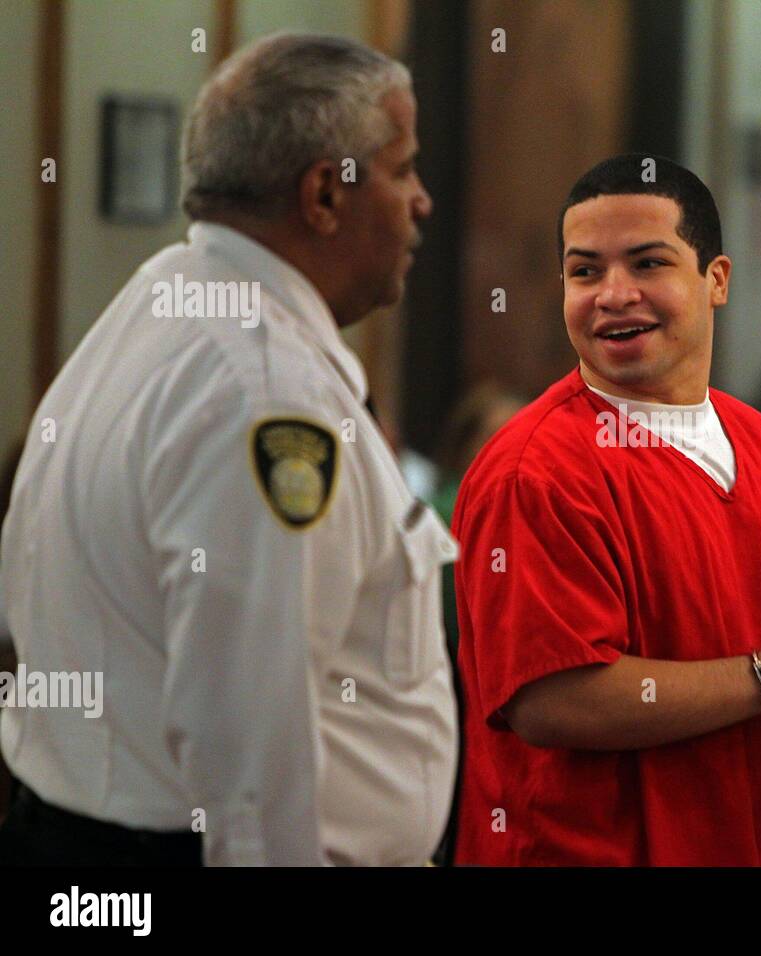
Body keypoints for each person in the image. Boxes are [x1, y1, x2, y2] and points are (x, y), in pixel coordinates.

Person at [0, 33, 457, 865]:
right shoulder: (267, 394)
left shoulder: (155, 309)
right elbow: (248, 743)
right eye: (402, 170)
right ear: (325, 193)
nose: (423, 201)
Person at [452, 154, 761, 866]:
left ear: (716, 279)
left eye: (647, 264)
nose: (613, 295)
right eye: (586, 271)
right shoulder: (536, 469)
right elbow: (549, 701)